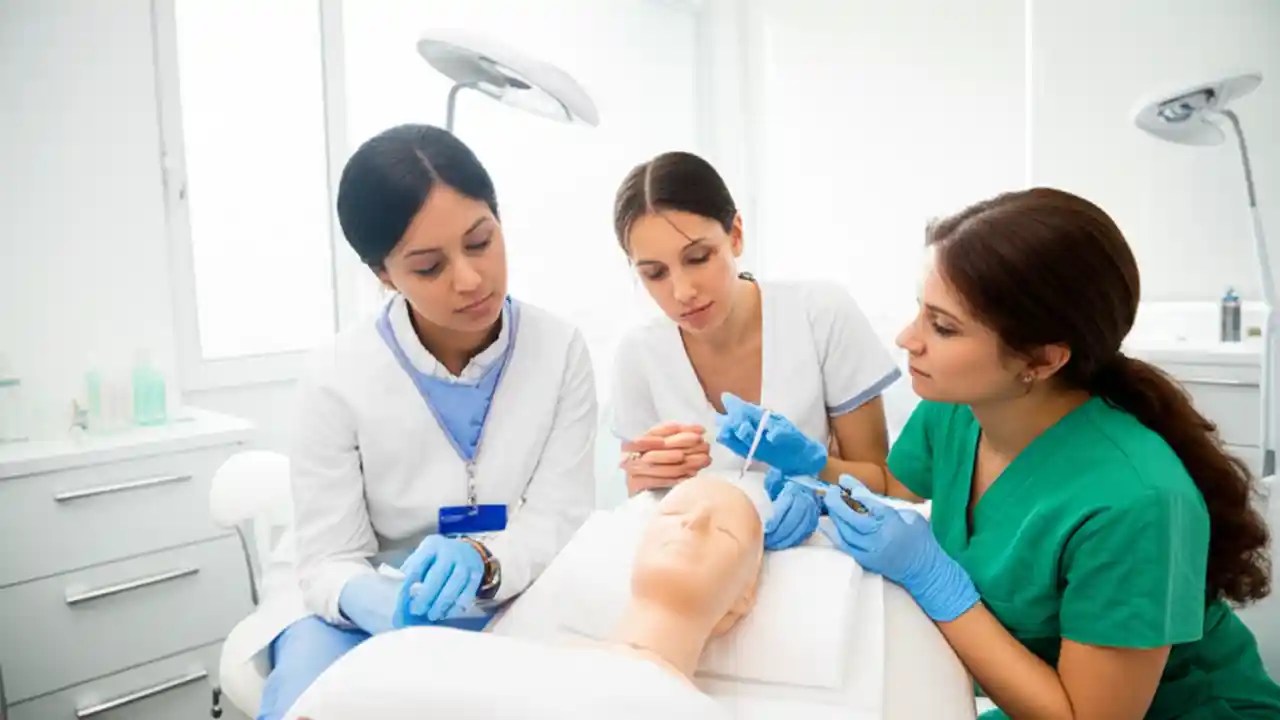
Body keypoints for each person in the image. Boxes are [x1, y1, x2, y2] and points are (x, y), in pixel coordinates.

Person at [720, 188, 1280, 718]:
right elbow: (896, 486)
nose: (907, 339)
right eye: (921, 310)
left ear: (1041, 360)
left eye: (943, 327)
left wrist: (935, 580)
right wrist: (813, 467)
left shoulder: (1138, 503)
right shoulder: (961, 405)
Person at [252, 124, 598, 720]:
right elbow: (330, 558)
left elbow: (556, 520)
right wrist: (382, 605)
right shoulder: (336, 375)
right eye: (429, 267)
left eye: (481, 241)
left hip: (507, 592)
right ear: (384, 274)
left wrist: (484, 563)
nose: (470, 279)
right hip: (348, 614)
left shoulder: (560, 348)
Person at [282, 475, 763, 720]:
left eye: (723, 532)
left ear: (742, 600)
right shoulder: (428, 654)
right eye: (673, 512)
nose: (693, 523)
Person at [609, 150, 901, 551]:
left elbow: (880, 485)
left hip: (819, 550)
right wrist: (648, 475)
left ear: (736, 234)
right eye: (654, 273)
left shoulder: (820, 313)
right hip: (702, 557)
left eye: (698, 257)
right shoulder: (638, 354)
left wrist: (811, 467)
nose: (682, 292)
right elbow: (640, 498)